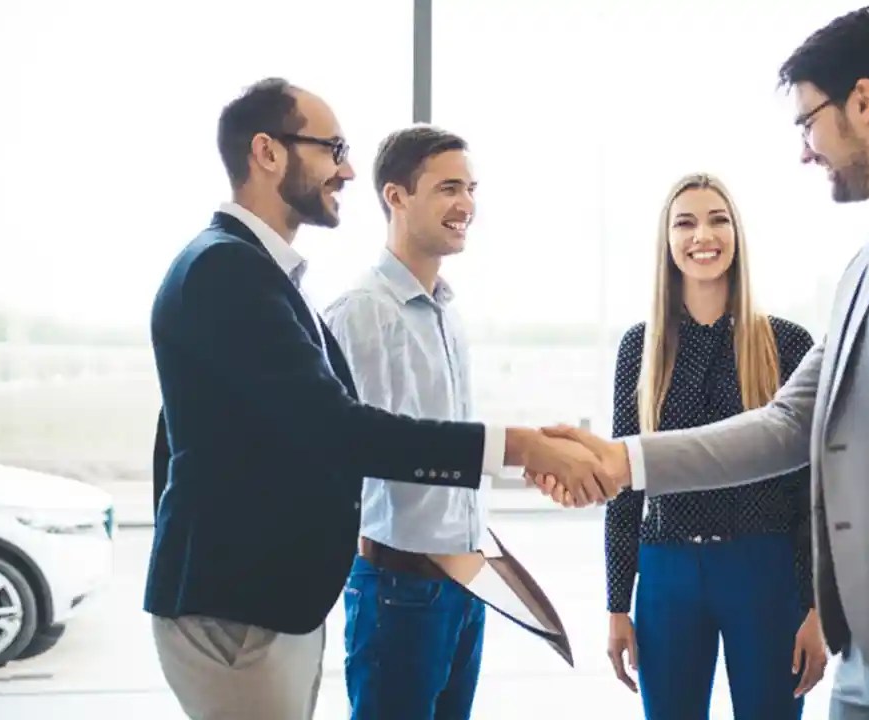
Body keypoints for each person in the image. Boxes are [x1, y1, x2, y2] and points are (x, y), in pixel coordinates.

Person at [534, 8, 869, 720]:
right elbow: (788, 422)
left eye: (807, 122)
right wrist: (622, 462)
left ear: (863, 101)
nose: (805, 149)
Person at [145, 78, 615, 720]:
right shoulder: (228, 269)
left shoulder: (249, 271)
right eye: (332, 148)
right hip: (243, 605)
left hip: (267, 597)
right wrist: (521, 446)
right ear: (268, 153)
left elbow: (184, 436)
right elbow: (345, 433)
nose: (345, 169)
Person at [602, 172, 827, 719]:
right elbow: (623, 488)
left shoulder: (787, 343)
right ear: (668, 243)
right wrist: (616, 605)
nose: (703, 235)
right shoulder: (641, 348)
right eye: (686, 222)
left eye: (717, 219)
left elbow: (811, 491)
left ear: (737, 235)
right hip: (667, 573)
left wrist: (817, 607)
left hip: (764, 568)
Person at [322, 124, 488, 719]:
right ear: (396, 196)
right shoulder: (363, 313)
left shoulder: (447, 309)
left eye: (470, 188)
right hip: (399, 592)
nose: (466, 204)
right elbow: (355, 451)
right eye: (448, 188)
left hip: (465, 586)